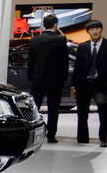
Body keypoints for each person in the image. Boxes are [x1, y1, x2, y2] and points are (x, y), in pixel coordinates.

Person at [27, 12, 70, 143]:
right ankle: (51, 135)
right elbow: (65, 62)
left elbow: (30, 62)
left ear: (44, 25)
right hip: (55, 81)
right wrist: (63, 78)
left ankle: (30, 135)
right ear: (56, 25)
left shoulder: (35, 40)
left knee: (34, 109)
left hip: (38, 80)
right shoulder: (61, 39)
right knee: (53, 109)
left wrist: (31, 78)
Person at [71, 19, 107, 147]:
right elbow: (78, 68)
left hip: (102, 86)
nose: (95, 31)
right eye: (92, 29)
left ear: (101, 29)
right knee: (82, 113)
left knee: (103, 113)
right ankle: (82, 139)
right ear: (88, 32)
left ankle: (104, 139)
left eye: (97, 28)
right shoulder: (83, 47)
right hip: (84, 85)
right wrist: (73, 85)